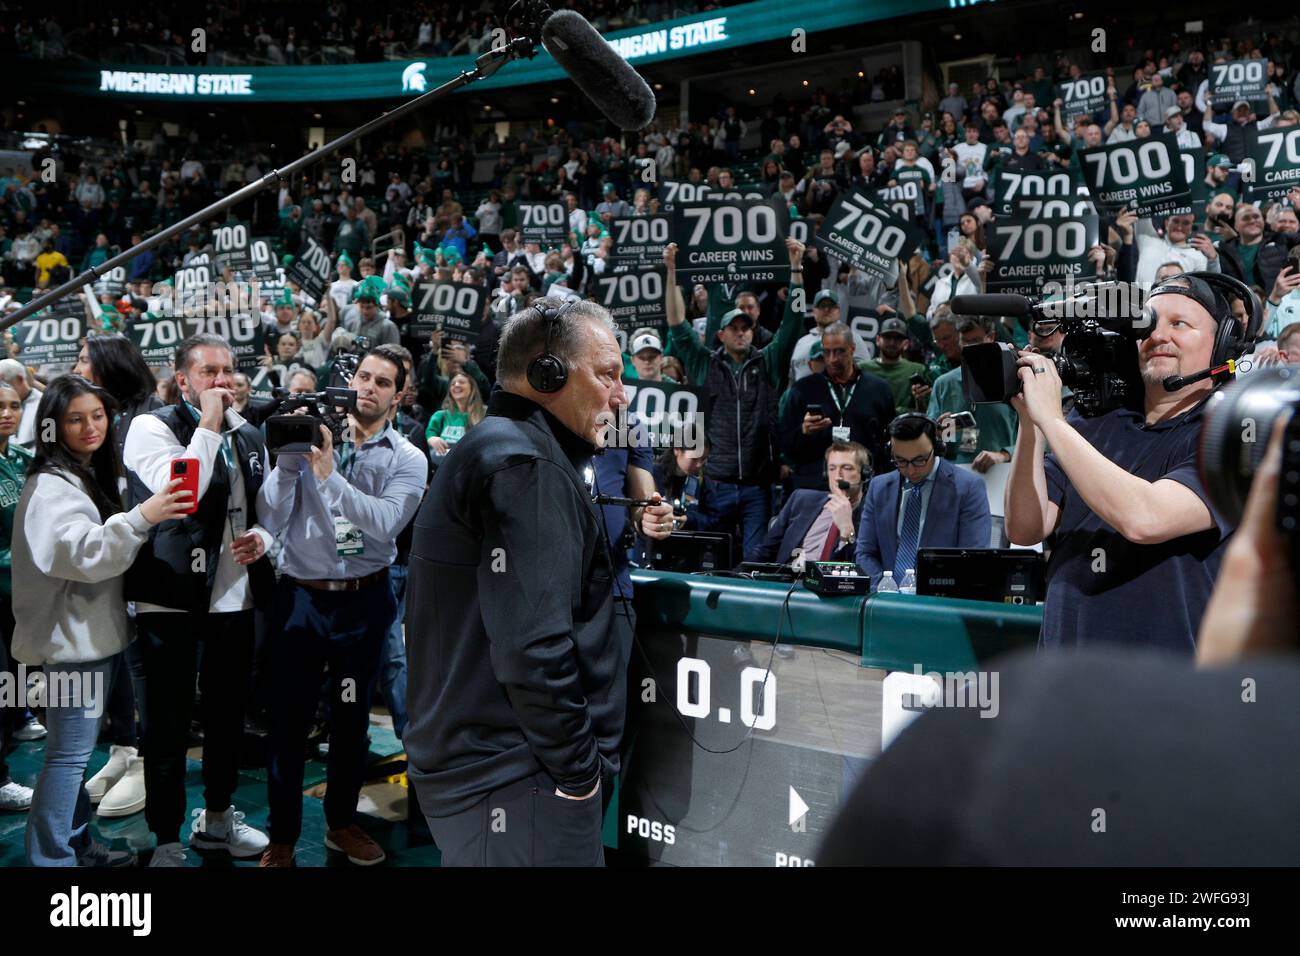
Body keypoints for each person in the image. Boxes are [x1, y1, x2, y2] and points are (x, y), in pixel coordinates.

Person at [405, 297, 628, 867]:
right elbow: (532, 648)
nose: (620, 396)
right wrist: (580, 773)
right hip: (514, 778)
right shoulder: (527, 465)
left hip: (486, 772)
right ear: (548, 373)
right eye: (608, 374)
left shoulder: (497, 445)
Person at [1004, 274, 1244, 652]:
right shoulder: (1090, 422)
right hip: (1064, 675)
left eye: (1179, 324)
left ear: (1223, 346)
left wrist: (1051, 420)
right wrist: (1030, 425)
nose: (1158, 336)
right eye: (1148, 324)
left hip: (1165, 689)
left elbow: (1145, 519)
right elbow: (1025, 528)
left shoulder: (1235, 439)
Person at [11, 376, 192, 866]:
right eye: (76, 418)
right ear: (53, 426)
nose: (91, 426)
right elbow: (83, 554)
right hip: (71, 646)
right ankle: (53, 860)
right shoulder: (51, 486)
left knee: (75, 755)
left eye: (97, 415)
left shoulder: (81, 475)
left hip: (91, 638)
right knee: (68, 759)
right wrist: (142, 518)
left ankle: (76, 846)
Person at [256, 344, 426, 867]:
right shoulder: (304, 436)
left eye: (381, 382)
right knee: (288, 721)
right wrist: (289, 465)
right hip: (301, 597)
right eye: (363, 378)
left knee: (352, 720)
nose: (368, 388)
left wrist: (329, 473)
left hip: (365, 600)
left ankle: (343, 821)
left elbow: (383, 523)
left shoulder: (409, 458)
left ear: (399, 396)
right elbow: (271, 510)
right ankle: (282, 834)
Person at [121, 333, 277, 866]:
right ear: (183, 379)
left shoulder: (251, 434)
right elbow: (183, 491)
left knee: (227, 719)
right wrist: (209, 424)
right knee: (166, 727)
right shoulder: (150, 426)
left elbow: (268, 510)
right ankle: (165, 838)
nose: (222, 382)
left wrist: (266, 539)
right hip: (171, 595)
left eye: (229, 372)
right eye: (209, 373)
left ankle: (217, 820)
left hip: (235, 599)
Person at [664, 239, 807, 560]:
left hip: (758, 486)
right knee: (712, 560)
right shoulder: (704, 364)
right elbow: (676, 324)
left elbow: (794, 322)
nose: (741, 332)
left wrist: (796, 269)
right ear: (721, 334)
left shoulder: (768, 362)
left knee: (755, 561)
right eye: (734, 327)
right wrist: (671, 271)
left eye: (746, 327)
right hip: (715, 484)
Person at [70, 333, 161, 818]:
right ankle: (124, 748)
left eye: (86, 359)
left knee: (142, 661)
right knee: (121, 657)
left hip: (147, 558)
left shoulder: (147, 415)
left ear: (108, 365)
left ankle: (147, 758)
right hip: (112, 555)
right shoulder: (97, 418)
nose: (79, 366)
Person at [854, 413, 991, 589]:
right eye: (901, 461)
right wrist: (884, 588)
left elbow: (973, 560)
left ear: (937, 448)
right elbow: (865, 553)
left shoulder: (967, 488)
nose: (911, 470)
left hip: (940, 603)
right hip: (885, 599)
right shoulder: (879, 487)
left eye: (920, 460)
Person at [778, 323, 894, 492]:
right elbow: (786, 446)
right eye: (827, 352)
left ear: (852, 349)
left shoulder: (879, 389)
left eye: (839, 351)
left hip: (864, 487)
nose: (832, 359)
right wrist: (804, 432)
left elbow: (888, 443)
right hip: (815, 486)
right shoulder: (802, 390)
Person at [927, 316, 1019, 472]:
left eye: (976, 340)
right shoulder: (944, 384)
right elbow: (932, 441)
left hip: (1004, 473)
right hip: (956, 473)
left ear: (991, 338)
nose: (971, 347)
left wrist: (1004, 454)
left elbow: (1036, 438)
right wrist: (937, 434)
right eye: (966, 341)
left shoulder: (1014, 381)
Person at [754, 441, 870, 565]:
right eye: (832, 468)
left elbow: (860, 567)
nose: (838, 476)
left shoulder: (871, 515)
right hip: (788, 579)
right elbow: (764, 551)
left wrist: (847, 530)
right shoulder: (801, 500)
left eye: (846, 468)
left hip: (832, 583)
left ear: (864, 474)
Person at [0, 382, 33, 811]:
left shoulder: (24, 459)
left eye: (14, 406)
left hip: (24, 596)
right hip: (5, 584)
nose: (8, 413)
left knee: (16, 683)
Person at [861, 317, 931, 415]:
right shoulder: (862, 369)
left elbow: (925, 412)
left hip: (904, 427)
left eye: (897, 339)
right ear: (877, 340)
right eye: (887, 337)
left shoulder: (917, 370)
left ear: (906, 343)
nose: (892, 342)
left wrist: (920, 401)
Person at [425, 371, 484, 457]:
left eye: (462, 382)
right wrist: (432, 439)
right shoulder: (440, 415)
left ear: (472, 388)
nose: (456, 385)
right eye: (453, 384)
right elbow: (430, 433)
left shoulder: (484, 414)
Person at [0, 360, 41, 450]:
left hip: (36, 461)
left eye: (5, 384)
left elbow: (51, 443)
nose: (2, 389)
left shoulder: (47, 405)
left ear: (19, 379)